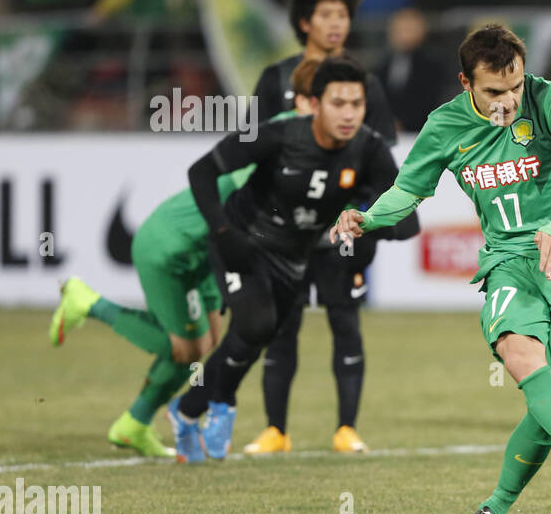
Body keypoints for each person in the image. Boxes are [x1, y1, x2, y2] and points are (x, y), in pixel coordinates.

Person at [331, 24, 551, 514]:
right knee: (522, 360)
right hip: (507, 262)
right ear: (465, 82)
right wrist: (367, 217)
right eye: (495, 91)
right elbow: (410, 190)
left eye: (515, 86)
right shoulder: (445, 125)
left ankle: (491, 513)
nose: (509, 100)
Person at [170, 55, 410, 463]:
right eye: (338, 103)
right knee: (257, 323)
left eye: (357, 104)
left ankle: (189, 408)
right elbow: (201, 172)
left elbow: (402, 208)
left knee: (251, 337)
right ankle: (222, 403)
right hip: (242, 241)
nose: (349, 114)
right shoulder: (279, 135)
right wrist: (222, 232)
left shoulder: (368, 149)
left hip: (293, 257)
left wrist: (370, 230)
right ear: (314, 104)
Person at [241, 0, 400, 455]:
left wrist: (358, 220)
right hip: (285, 232)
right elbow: (254, 152)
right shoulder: (274, 79)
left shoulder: (364, 84)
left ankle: (346, 428)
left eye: (344, 15)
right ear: (304, 21)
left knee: (344, 319)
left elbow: (381, 163)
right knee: (281, 325)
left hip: (341, 233)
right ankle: (275, 430)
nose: (337, 24)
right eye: (327, 14)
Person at [48, 169, 253, 458]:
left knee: (208, 342)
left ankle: (133, 426)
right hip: (169, 249)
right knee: (184, 349)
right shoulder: (270, 153)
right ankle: (89, 302)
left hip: (203, 258)